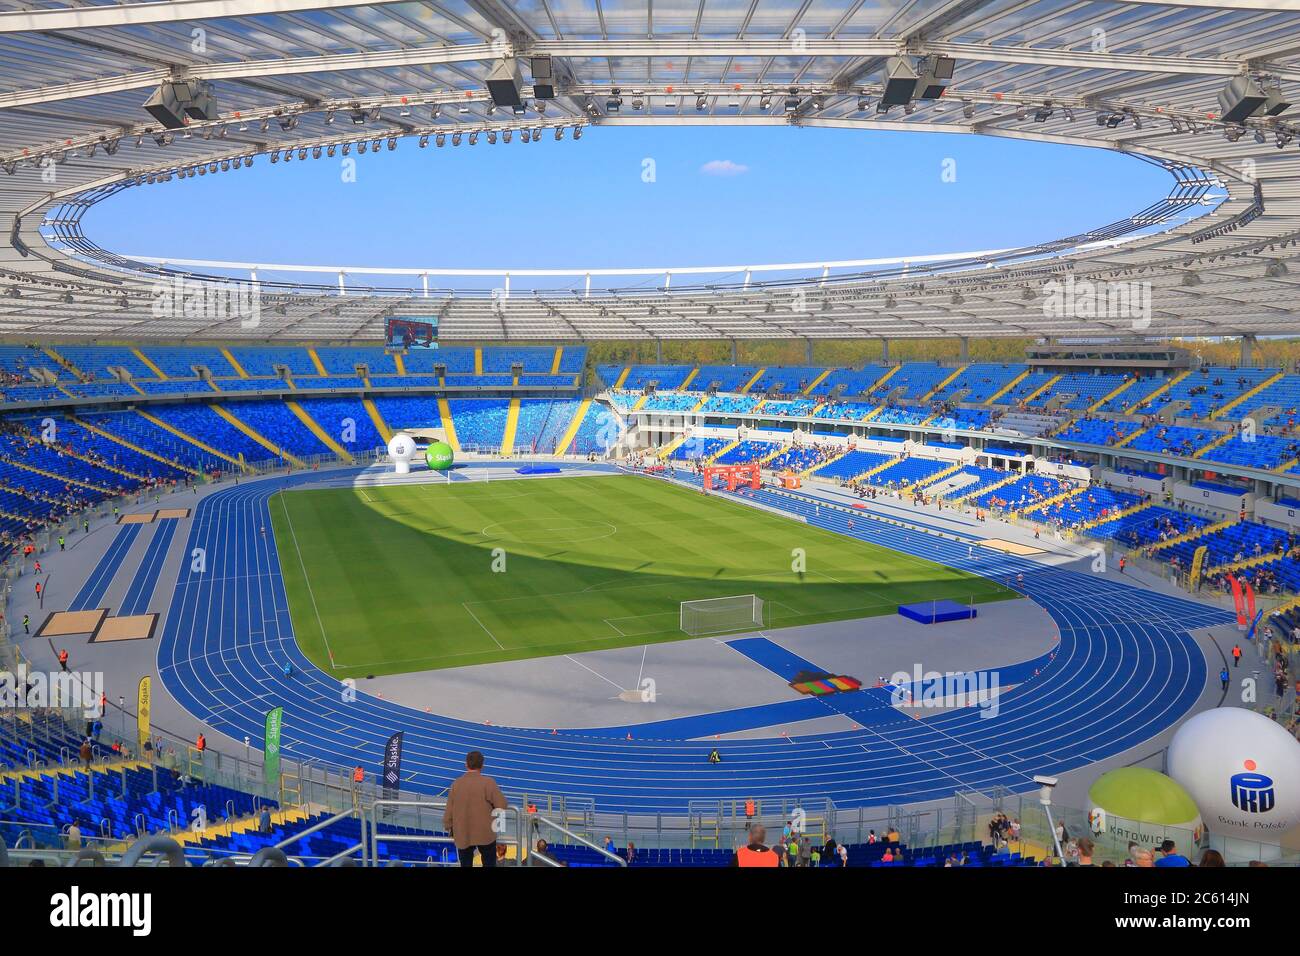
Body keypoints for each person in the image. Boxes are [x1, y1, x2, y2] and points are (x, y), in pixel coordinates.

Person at [442, 750, 508, 868]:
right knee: (489, 863)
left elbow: (449, 812)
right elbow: (502, 805)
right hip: (485, 834)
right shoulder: (488, 783)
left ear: (466, 764)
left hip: (463, 833)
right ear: (482, 765)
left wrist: (448, 826)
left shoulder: (456, 784)